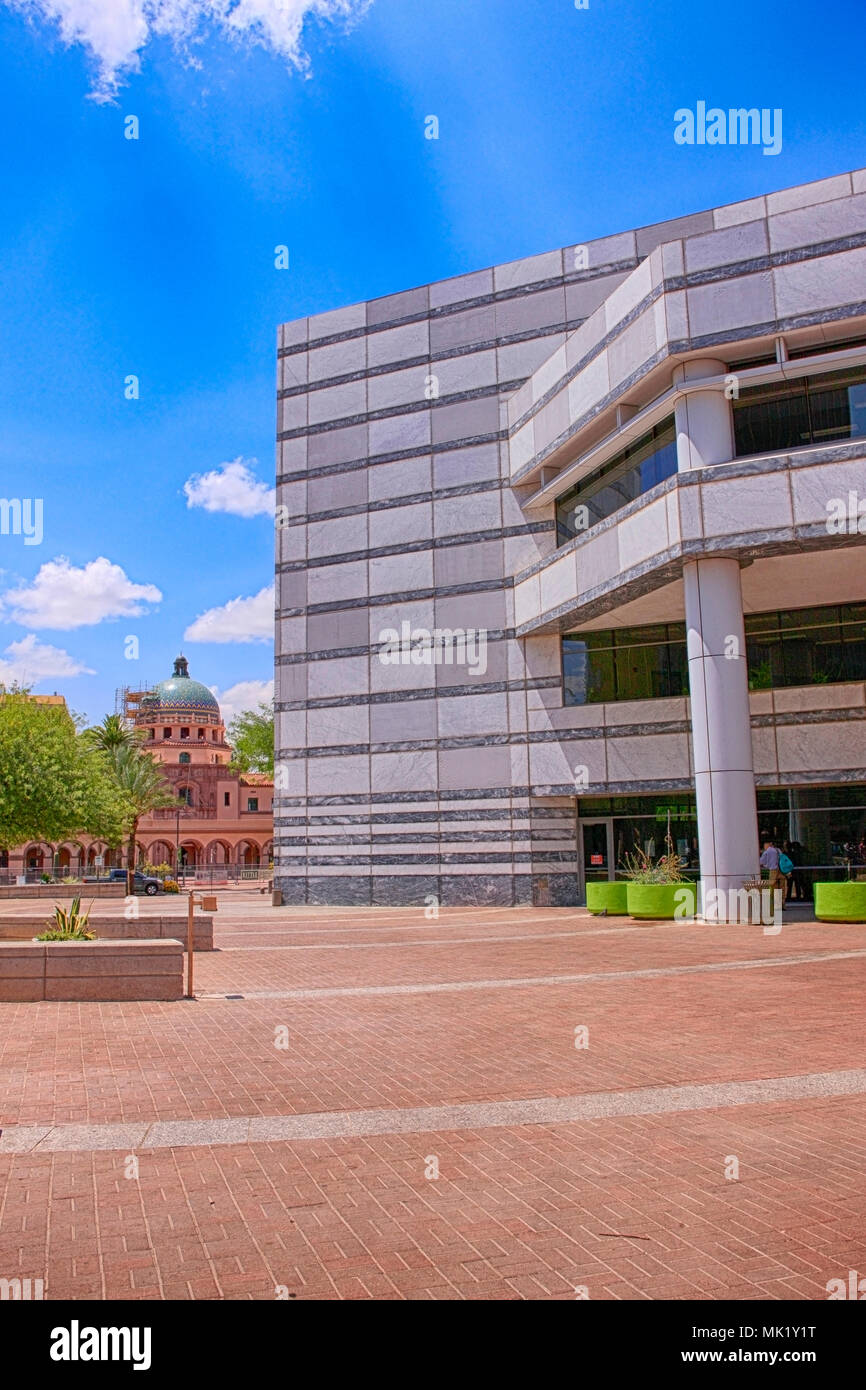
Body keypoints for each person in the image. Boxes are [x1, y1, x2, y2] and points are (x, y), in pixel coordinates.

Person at [759, 838, 786, 907]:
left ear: (768, 844)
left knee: (773, 887)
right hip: (781, 870)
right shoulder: (778, 850)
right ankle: (783, 903)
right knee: (782, 887)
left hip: (773, 871)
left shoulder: (767, 852)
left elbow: (761, 862)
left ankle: (775, 904)